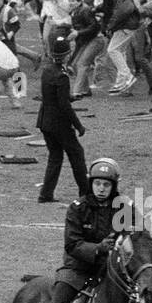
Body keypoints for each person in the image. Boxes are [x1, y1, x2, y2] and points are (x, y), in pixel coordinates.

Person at [28, 158, 142, 303]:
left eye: (106, 185)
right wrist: (99, 248)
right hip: (77, 270)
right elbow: (72, 245)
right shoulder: (77, 208)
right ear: (91, 183)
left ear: (114, 186)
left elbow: (137, 236)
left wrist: (124, 243)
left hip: (110, 273)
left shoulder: (125, 208)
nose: (101, 189)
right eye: (97, 183)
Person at [36, 33, 88, 204]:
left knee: (55, 157)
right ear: (66, 55)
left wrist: (71, 96)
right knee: (76, 155)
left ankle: (46, 194)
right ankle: (85, 193)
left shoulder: (48, 70)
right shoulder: (62, 76)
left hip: (45, 121)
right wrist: (79, 125)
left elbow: (52, 95)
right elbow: (64, 105)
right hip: (59, 124)